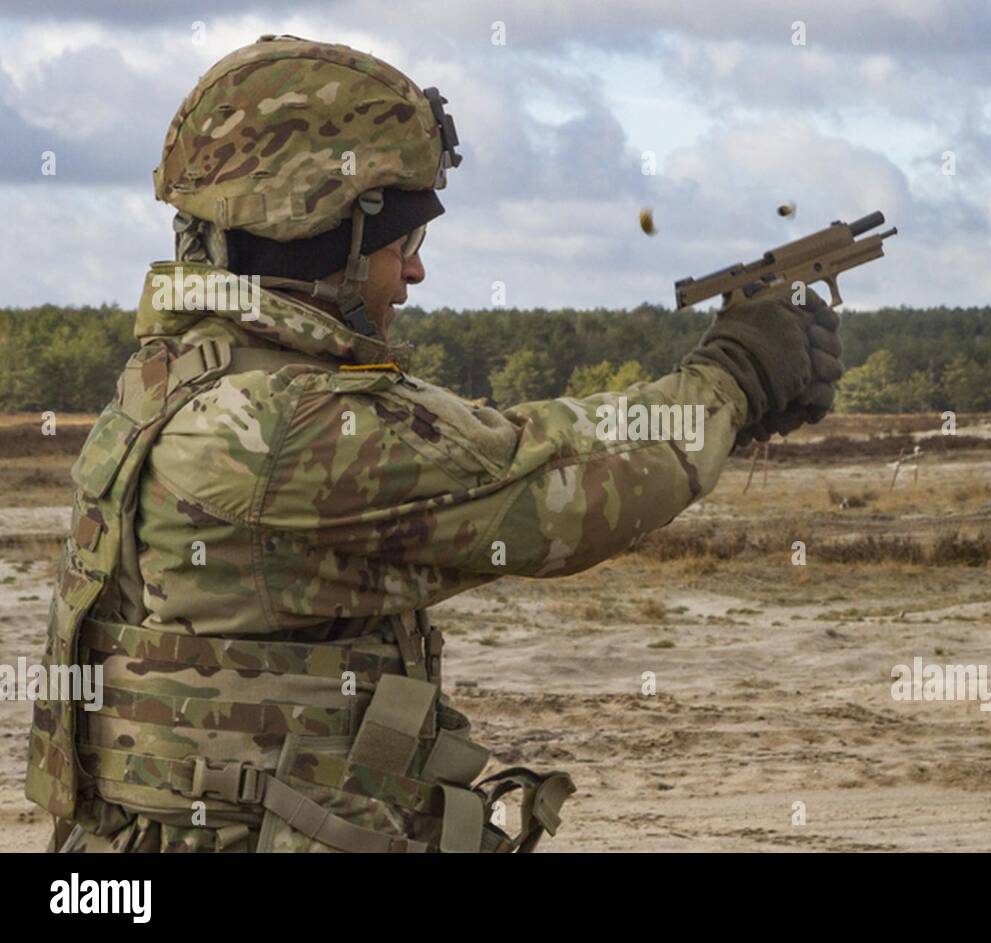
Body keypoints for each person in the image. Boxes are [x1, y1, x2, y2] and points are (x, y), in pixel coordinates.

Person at [25, 35, 843, 853]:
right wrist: (731, 381)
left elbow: (509, 444)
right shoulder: (277, 429)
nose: (413, 277)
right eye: (403, 245)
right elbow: (552, 489)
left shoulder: (186, 378)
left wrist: (723, 400)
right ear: (327, 240)